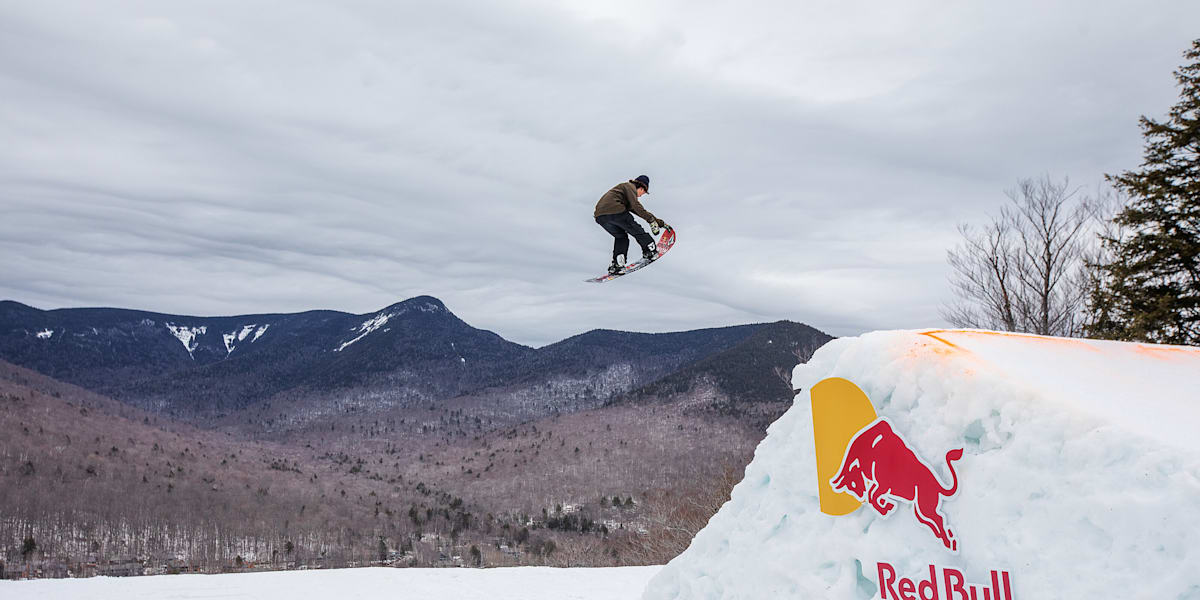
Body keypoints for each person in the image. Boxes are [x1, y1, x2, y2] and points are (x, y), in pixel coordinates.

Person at [593, 175, 670, 275]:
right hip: (616, 211)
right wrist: (651, 220)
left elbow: (639, 211)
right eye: (643, 193)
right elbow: (636, 206)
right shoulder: (629, 186)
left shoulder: (624, 193)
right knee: (636, 230)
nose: (641, 196)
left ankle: (618, 265)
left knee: (621, 237)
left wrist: (659, 223)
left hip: (601, 217)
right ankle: (650, 250)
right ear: (641, 188)